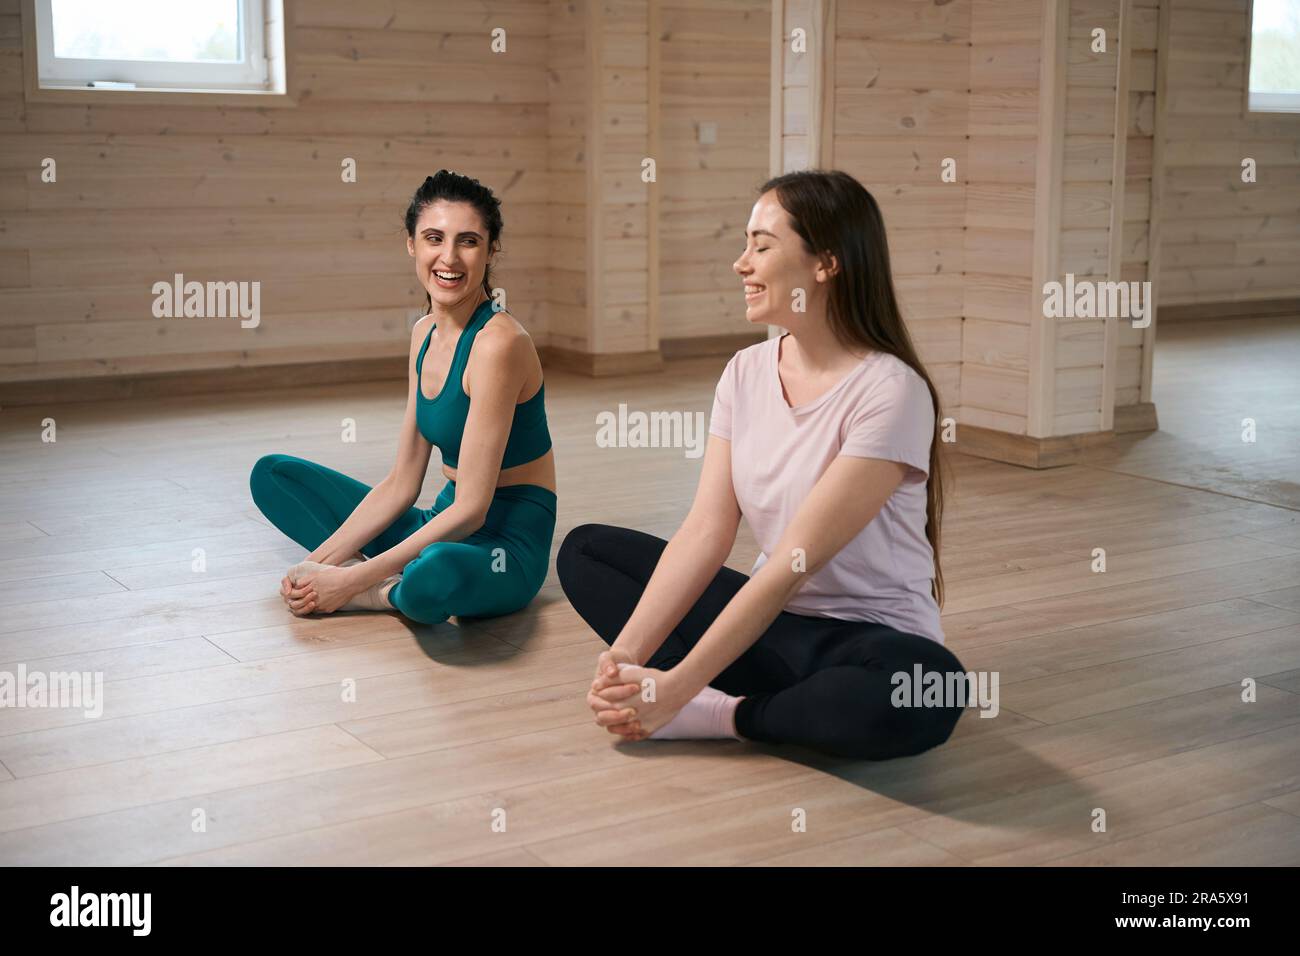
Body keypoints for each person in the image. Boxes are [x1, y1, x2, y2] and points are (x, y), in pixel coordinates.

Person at [558, 169, 967, 760]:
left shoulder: (891, 390)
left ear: (825, 263)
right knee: (587, 550)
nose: (741, 263)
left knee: (931, 691)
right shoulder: (745, 372)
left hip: (861, 641)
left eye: (761, 245)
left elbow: (790, 566)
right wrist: (625, 657)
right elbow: (705, 531)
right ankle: (725, 699)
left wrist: (680, 685)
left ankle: (721, 714)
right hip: (768, 628)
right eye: (745, 244)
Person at [249, 170, 556, 627]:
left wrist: (350, 585)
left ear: (491, 251)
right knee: (274, 475)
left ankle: (380, 593)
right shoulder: (423, 332)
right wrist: (317, 567)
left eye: (468, 241)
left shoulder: (499, 344)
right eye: (434, 237)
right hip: (440, 521)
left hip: (503, 545)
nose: (448, 257)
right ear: (411, 243)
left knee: (433, 575)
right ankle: (385, 579)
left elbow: (473, 509)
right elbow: (401, 482)